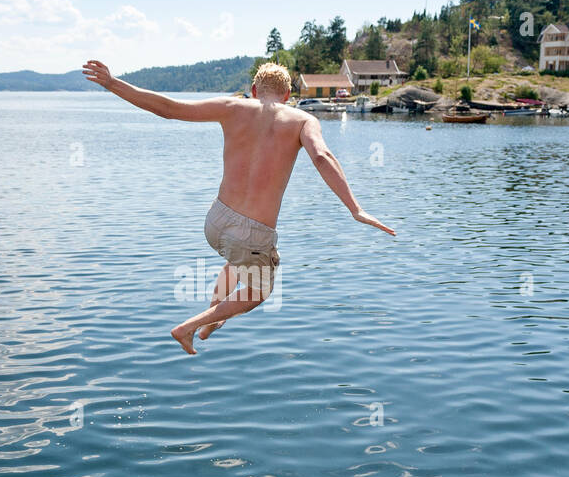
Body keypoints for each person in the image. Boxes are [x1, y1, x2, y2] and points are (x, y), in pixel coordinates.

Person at [82, 60, 395, 354]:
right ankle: (189, 327)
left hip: (215, 222)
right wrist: (355, 208)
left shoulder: (231, 107)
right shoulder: (302, 119)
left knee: (239, 261)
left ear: (255, 91)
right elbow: (323, 157)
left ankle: (209, 325)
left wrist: (112, 82)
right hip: (252, 233)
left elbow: (168, 108)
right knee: (259, 292)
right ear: (288, 94)